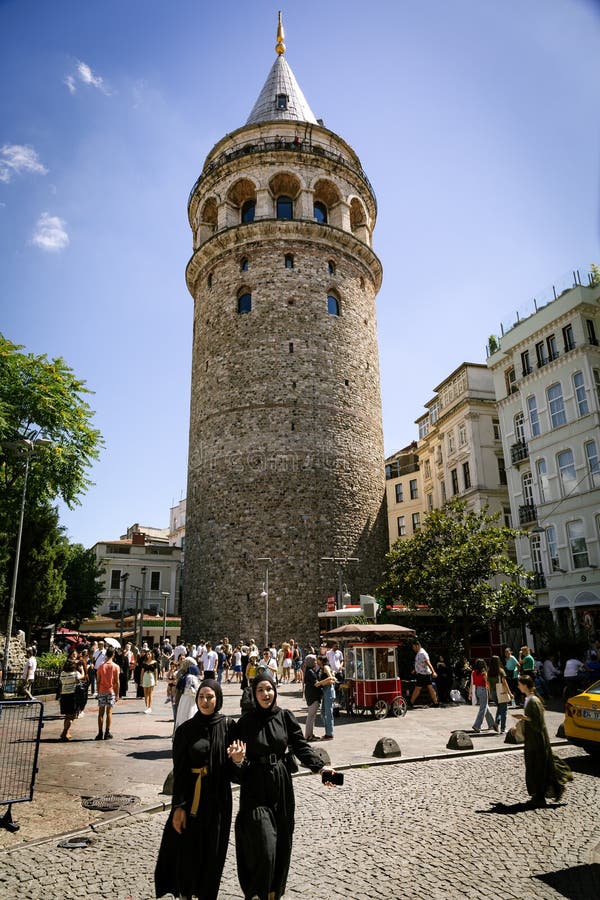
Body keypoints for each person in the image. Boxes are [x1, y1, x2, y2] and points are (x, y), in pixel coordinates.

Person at [234, 673, 336, 900]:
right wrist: (238, 760)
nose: (265, 694)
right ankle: (256, 891)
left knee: (282, 840)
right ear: (253, 692)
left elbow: (301, 747)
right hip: (254, 785)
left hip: (280, 782)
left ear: (274, 691)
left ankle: (273, 893)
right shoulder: (245, 723)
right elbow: (234, 760)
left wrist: (321, 769)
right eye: (260, 690)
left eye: (269, 689)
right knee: (263, 845)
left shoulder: (285, 717)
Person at [155, 680, 244, 900]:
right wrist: (178, 807)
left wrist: (239, 761)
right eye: (202, 696)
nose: (205, 701)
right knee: (188, 853)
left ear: (218, 699)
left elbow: (236, 776)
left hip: (218, 802)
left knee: (213, 855)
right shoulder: (185, 730)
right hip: (192, 802)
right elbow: (181, 772)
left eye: (210, 697)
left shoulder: (229, 727)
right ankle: (185, 894)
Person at [513, 675, 573, 808]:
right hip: (532, 740)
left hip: (537, 741)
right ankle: (541, 795)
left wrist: (524, 718)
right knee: (536, 767)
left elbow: (538, 723)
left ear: (525, 685)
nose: (518, 686)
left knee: (539, 768)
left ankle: (541, 796)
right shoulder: (529, 699)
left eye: (519, 684)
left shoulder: (534, 701)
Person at [95, 647, 120, 740]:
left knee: (100, 713)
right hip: (111, 691)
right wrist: (117, 694)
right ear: (113, 655)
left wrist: (98, 692)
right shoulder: (116, 666)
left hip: (102, 690)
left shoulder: (101, 666)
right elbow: (117, 682)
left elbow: (98, 681)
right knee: (109, 712)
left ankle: (100, 733)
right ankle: (107, 732)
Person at [469, 658, 498, 733]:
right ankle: (477, 725)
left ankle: (491, 724)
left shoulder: (473, 672)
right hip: (483, 689)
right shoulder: (484, 672)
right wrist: (490, 692)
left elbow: (471, 683)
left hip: (477, 690)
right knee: (483, 708)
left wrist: (470, 693)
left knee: (485, 707)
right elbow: (487, 683)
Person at [59, 659, 83, 740]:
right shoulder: (75, 673)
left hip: (64, 695)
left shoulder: (62, 673)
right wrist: (82, 670)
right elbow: (82, 677)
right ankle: (64, 732)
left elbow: (61, 682)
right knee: (72, 716)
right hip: (72, 695)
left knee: (67, 716)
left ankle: (66, 732)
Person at [409, 640, 439, 707]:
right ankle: (436, 703)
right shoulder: (420, 653)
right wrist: (415, 670)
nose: (413, 648)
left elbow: (428, 663)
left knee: (417, 688)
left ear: (417, 646)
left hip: (423, 674)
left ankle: (411, 702)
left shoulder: (422, 653)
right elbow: (420, 664)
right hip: (424, 674)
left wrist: (433, 672)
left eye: (413, 647)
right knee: (430, 688)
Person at [488, 654, 512, 733]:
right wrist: (509, 693)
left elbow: (488, 684)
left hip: (493, 692)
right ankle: (502, 728)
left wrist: (490, 694)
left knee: (500, 708)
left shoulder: (489, 672)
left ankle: (496, 723)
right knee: (504, 710)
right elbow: (504, 683)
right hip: (501, 691)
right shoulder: (500, 671)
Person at [316, 654, 336, 740]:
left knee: (328, 713)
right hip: (325, 690)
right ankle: (328, 731)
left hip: (328, 690)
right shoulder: (321, 668)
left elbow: (331, 678)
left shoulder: (326, 667)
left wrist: (320, 683)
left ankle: (330, 734)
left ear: (321, 660)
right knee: (323, 712)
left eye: (318, 660)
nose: (316, 661)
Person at [303, 655, 322, 741]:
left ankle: (310, 734)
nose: (316, 662)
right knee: (311, 716)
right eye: (314, 661)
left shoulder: (310, 670)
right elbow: (316, 683)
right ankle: (308, 736)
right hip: (312, 695)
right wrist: (326, 681)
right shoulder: (310, 671)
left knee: (312, 716)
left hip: (312, 695)